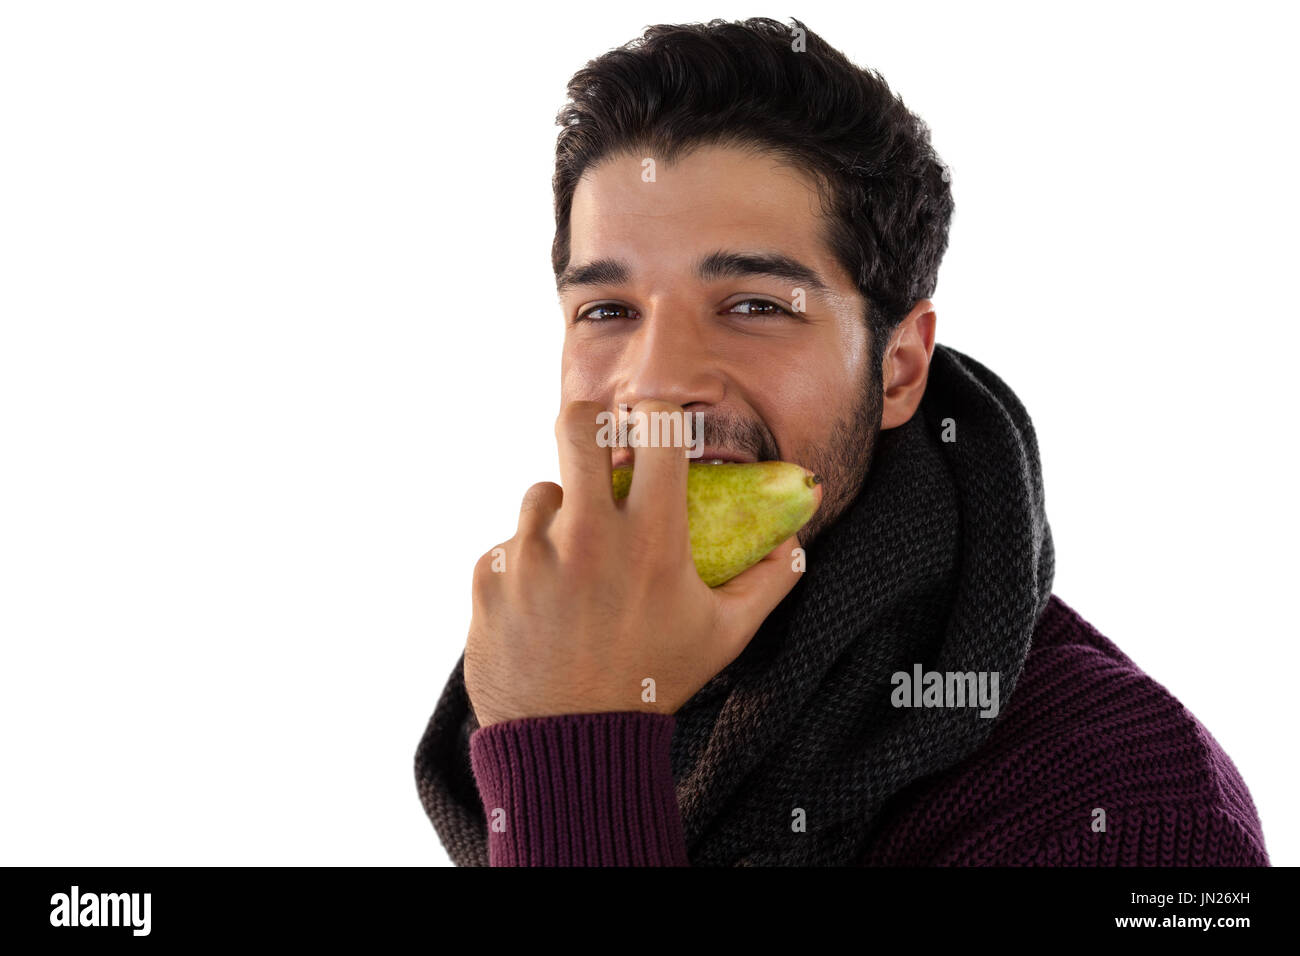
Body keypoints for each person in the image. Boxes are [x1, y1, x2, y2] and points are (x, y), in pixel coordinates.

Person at [413, 17, 1268, 866]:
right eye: (608, 311)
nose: (656, 383)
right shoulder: (525, 686)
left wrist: (573, 748)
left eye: (754, 305)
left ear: (899, 369)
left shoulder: (1134, 812)